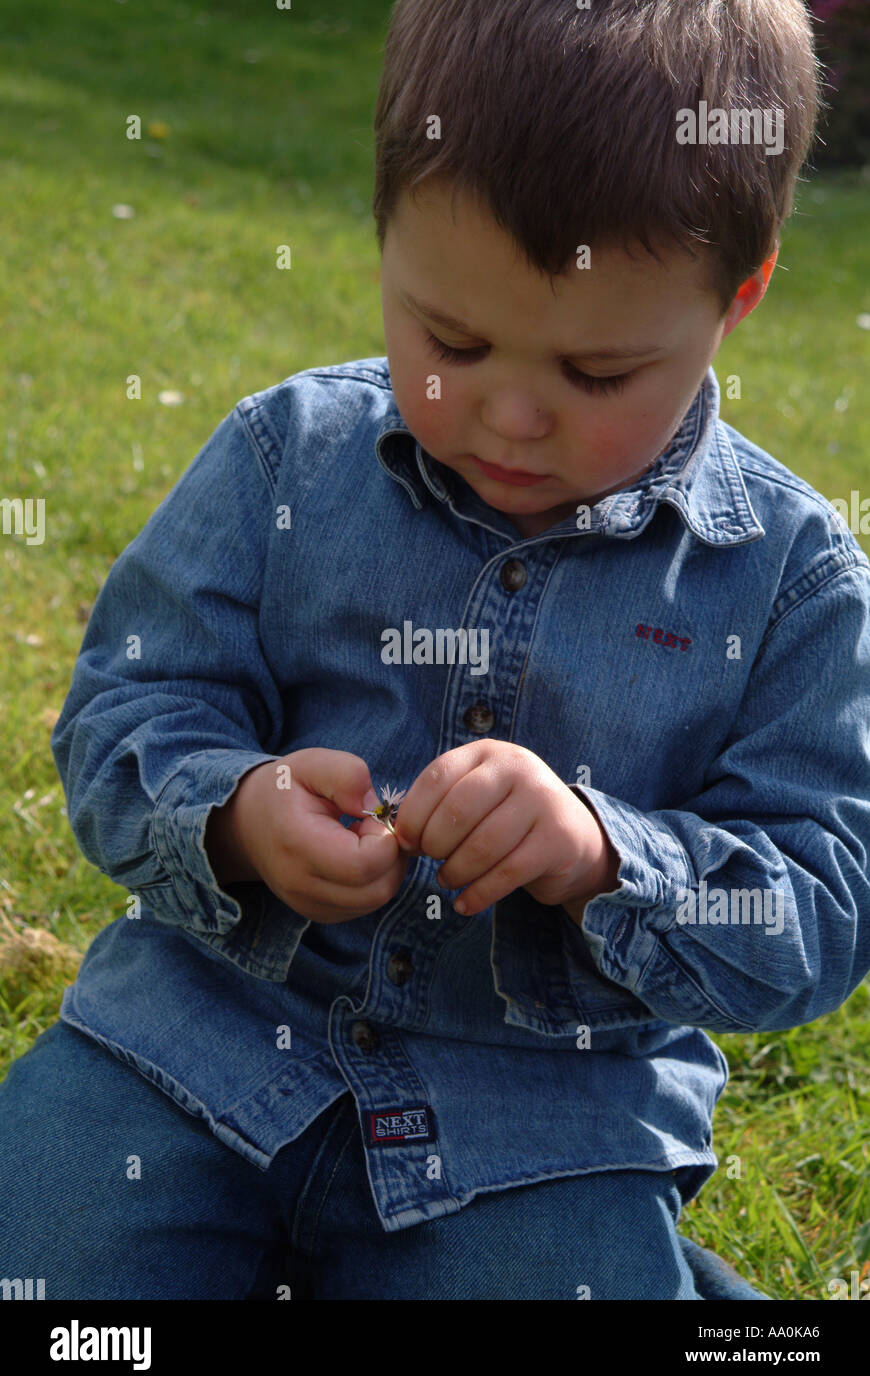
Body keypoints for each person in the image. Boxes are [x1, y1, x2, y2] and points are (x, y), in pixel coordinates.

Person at [1, 0, 868, 1300]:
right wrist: (237, 811)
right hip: (191, 1045)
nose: (511, 415)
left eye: (597, 372)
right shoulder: (279, 457)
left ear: (735, 299)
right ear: (384, 238)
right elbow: (126, 710)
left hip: (542, 1124)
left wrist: (596, 854)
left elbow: (816, 907)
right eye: (451, 343)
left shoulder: (791, 580)